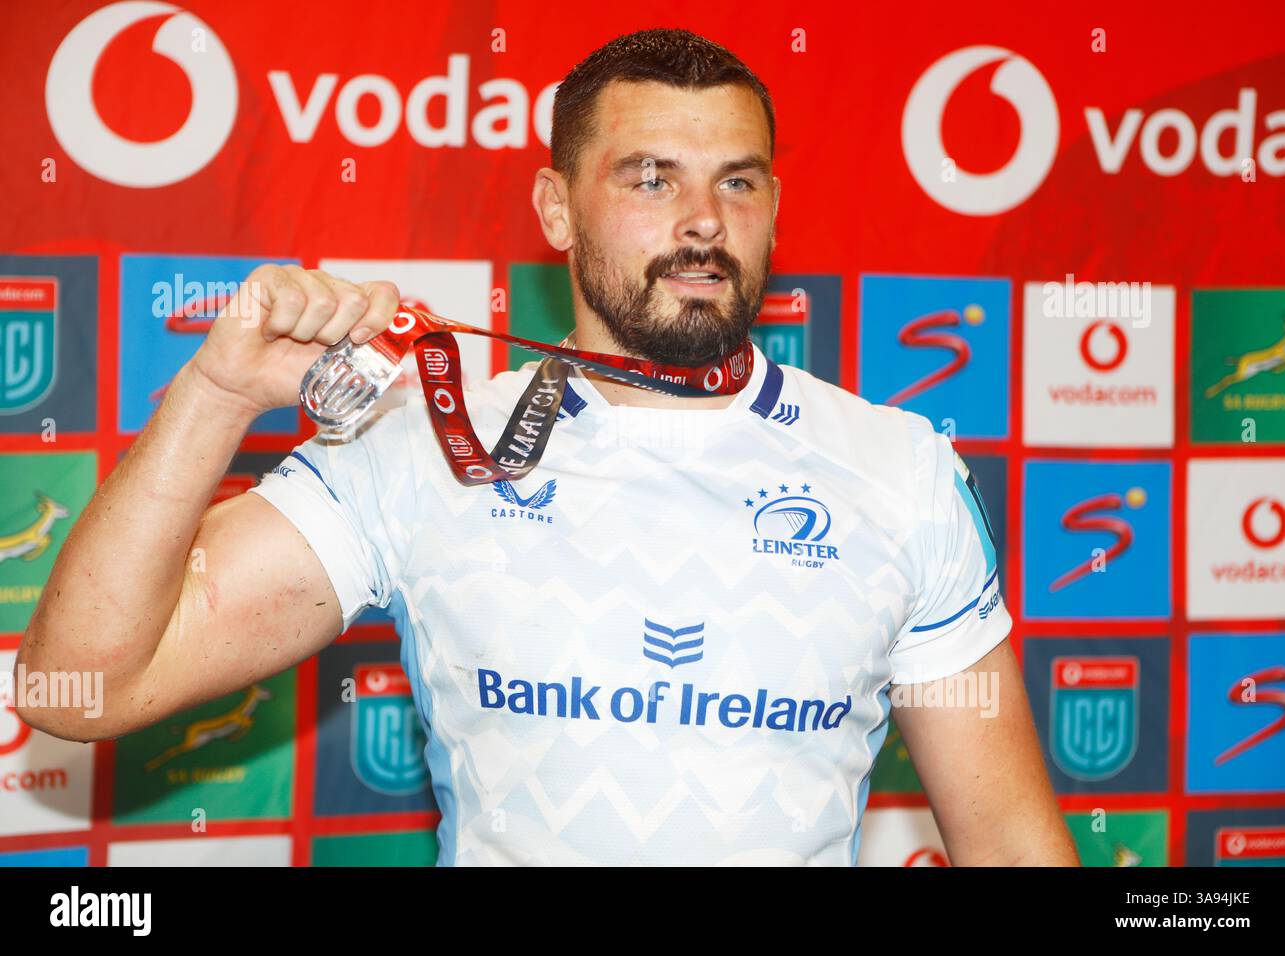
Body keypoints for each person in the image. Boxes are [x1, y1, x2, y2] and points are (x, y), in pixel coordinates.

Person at [17, 28, 1079, 866]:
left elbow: (1010, 844)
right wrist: (213, 395)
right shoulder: (425, 443)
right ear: (555, 208)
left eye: (738, 181)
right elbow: (86, 686)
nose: (703, 221)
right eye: (650, 179)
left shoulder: (895, 466)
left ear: (772, 208)